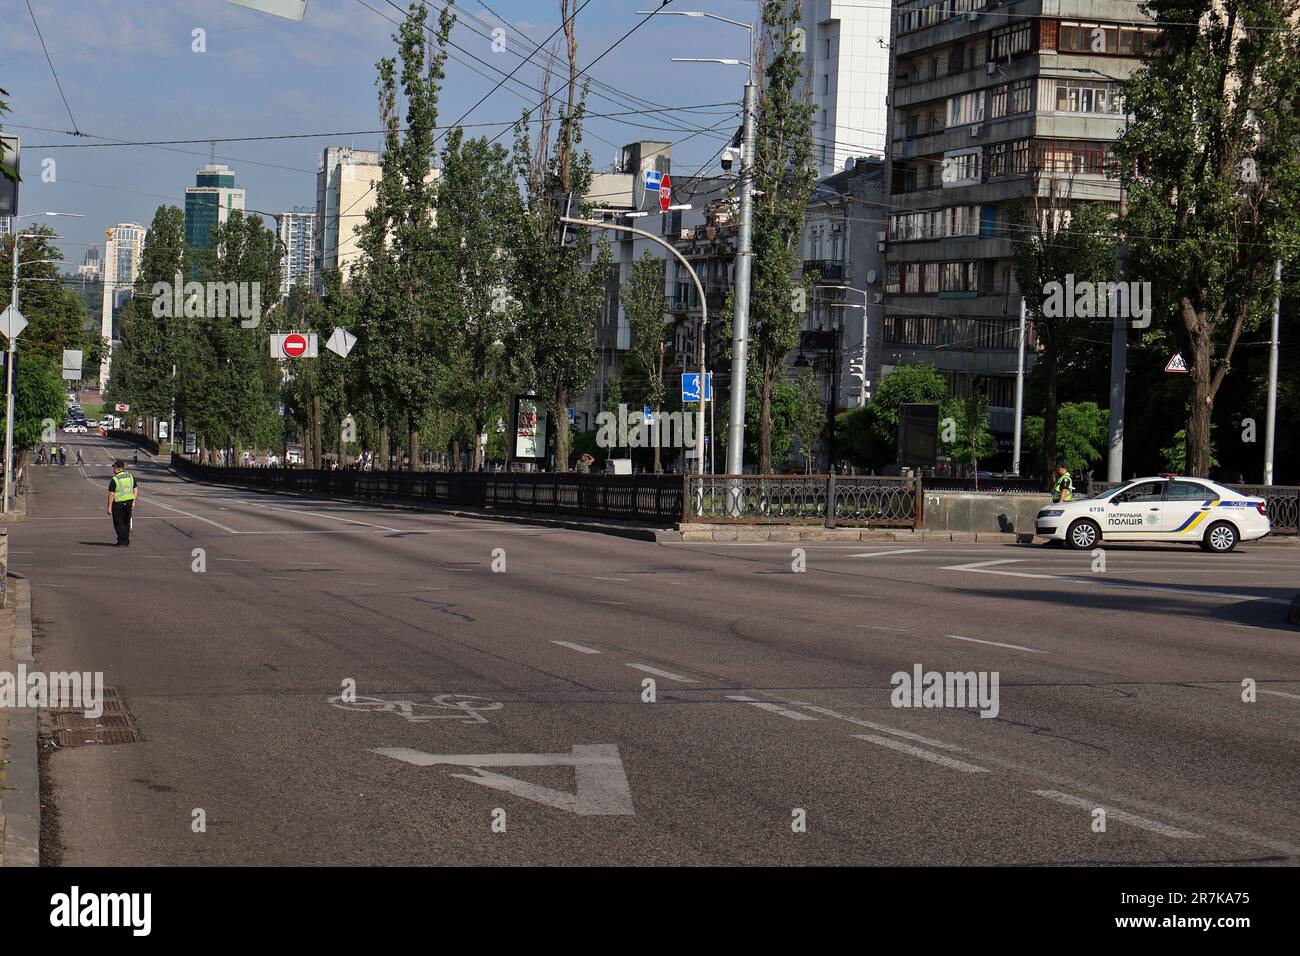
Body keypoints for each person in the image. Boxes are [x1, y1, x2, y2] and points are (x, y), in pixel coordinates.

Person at [107, 459, 139, 547]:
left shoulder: (115, 479)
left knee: (118, 522)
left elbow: (111, 494)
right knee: (126, 522)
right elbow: (135, 489)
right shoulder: (130, 476)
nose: (113, 469)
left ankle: (121, 541)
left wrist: (109, 507)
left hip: (118, 503)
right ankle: (126, 540)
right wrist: (134, 502)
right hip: (129, 502)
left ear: (117, 468)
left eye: (114, 467)